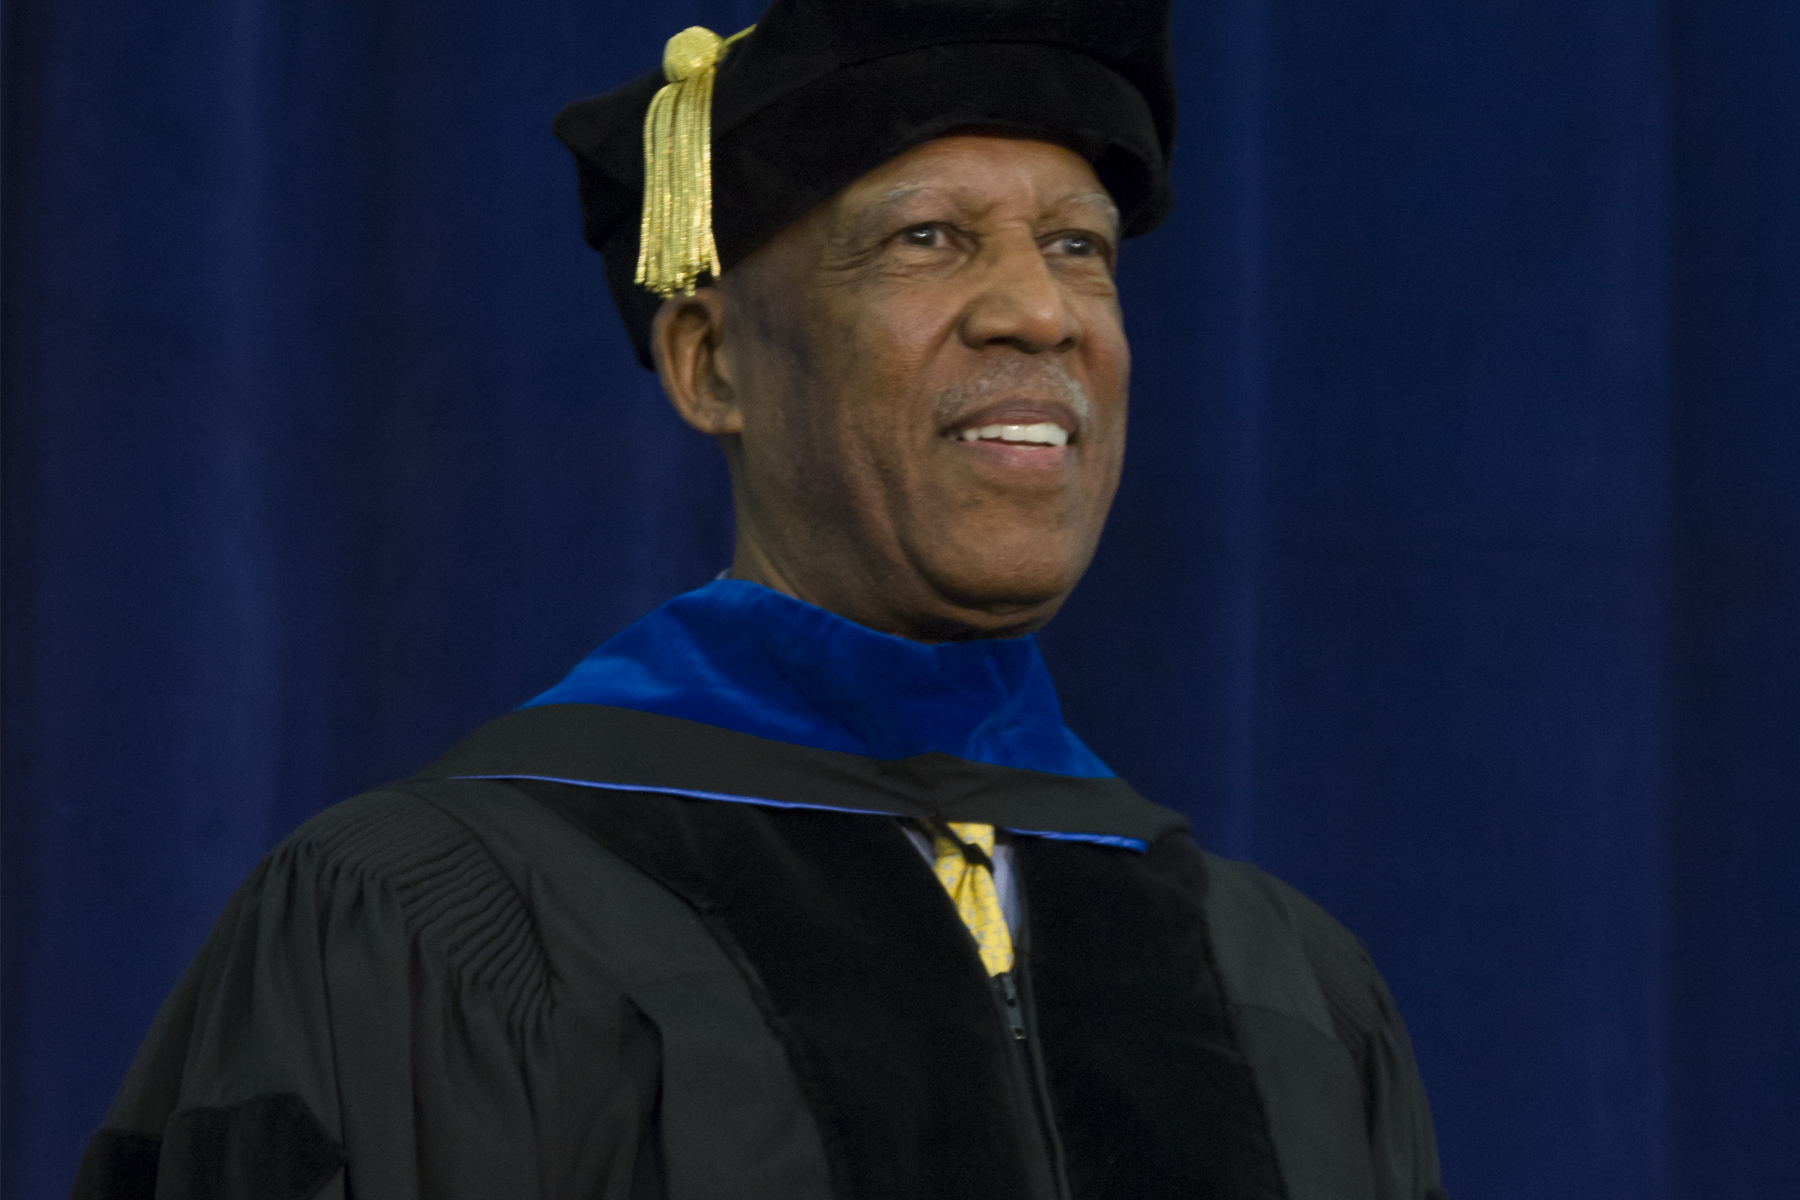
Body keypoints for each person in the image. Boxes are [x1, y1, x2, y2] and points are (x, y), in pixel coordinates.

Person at [74, 2, 1446, 1198]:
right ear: (711, 365)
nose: (1040, 311)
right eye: (927, 237)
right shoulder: (435, 925)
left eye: (1081, 248)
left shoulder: (1284, 984)